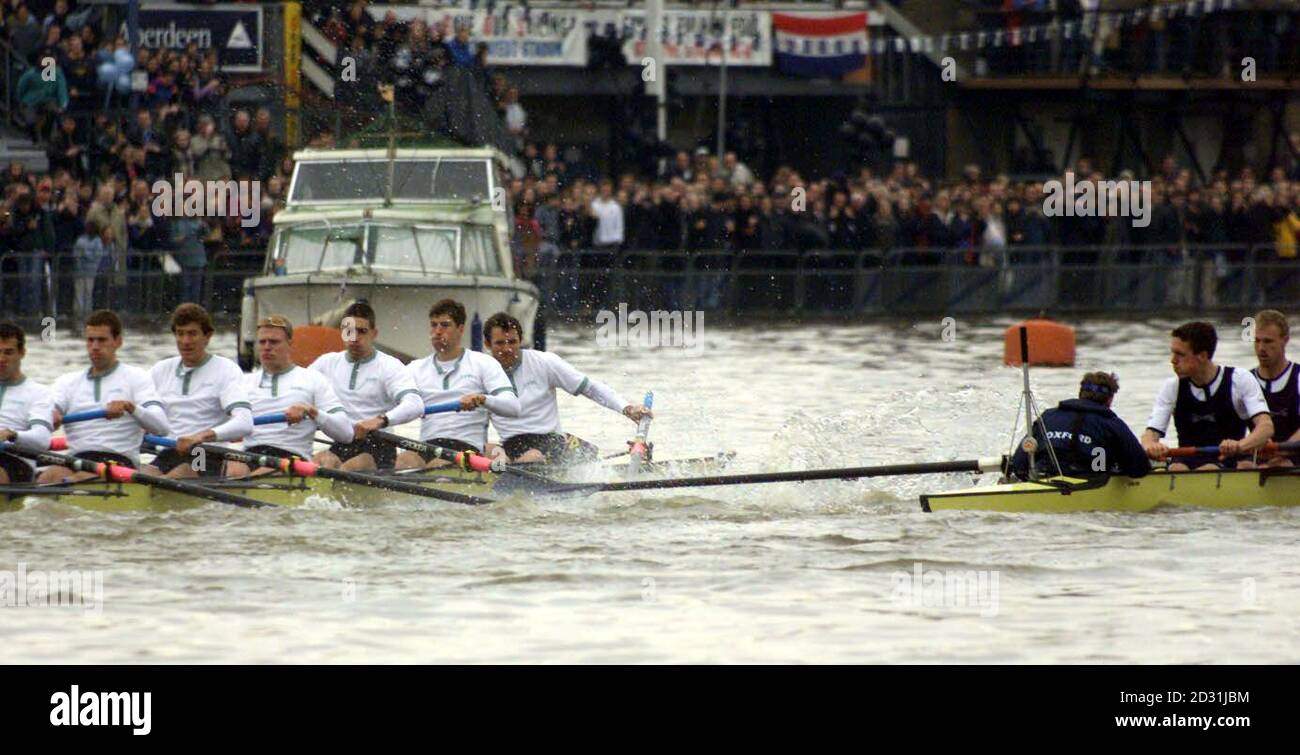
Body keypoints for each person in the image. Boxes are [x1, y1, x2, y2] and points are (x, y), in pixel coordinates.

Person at [480, 312, 649, 464]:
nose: (507, 349)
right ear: (487, 344)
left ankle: (638, 456)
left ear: (521, 340)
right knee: (482, 449)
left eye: (512, 342)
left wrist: (627, 408)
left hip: (548, 440)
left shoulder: (545, 362)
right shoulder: (480, 375)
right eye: (500, 343)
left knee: (590, 456)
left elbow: (590, 388)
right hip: (512, 443)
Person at [38, 310, 171, 483]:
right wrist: (49, 416)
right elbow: (47, 413)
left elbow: (162, 427)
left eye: (102, 340)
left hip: (118, 462)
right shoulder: (67, 382)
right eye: (90, 340)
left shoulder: (137, 378)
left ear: (118, 341)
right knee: (48, 477)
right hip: (76, 460)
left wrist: (131, 408)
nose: (95, 346)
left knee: (80, 479)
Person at [395, 300, 520, 469]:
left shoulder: (483, 363)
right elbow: (386, 405)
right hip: (427, 446)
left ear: (460, 329)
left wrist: (483, 399)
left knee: (439, 464)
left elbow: (513, 407)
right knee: (403, 461)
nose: (437, 331)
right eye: (434, 325)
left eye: (445, 325)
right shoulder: (414, 369)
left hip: (467, 448)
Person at [223, 316, 354, 477]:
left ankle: (242, 490)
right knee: (233, 465)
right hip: (250, 456)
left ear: (290, 344)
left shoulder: (313, 379)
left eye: (274, 342)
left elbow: (346, 433)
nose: (267, 347)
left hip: (292, 458)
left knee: (259, 473)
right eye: (262, 342)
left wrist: (312, 412)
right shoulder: (243, 383)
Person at [1141, 321, 1273, 470]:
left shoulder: (1239, 379)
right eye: (1173, 353)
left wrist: (1240, 445)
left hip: (1229, 460)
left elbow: (1266, 427)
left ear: (1202, 356)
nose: (1173, 360)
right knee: (1177, 468)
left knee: (1209, 468)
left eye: (1180, 354)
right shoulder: (1172, 387)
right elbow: (1151, 433)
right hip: (1185, 462)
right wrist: (1150, 445)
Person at [308, 301, 423, 471]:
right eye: (349, 331)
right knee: (316, 462)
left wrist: (380, 420)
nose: (354, 338)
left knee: (350, 468)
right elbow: (296, 394)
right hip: (344, 441)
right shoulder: (326, 363)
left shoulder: (389, 366)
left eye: (361, 331)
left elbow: (415, 405)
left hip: (379, 443)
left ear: (374, 333)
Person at [145, 304, 252, 479]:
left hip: (207, 453)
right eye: (180, 333)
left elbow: (244, 423)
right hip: (169, 451)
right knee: (140, 474)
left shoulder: (226, 370)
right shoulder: (160, 370)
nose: (185, 341)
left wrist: (201, 436)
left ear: (207, 336)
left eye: (192, 333)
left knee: (185, 471)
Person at [1008, 372, 1149, 480]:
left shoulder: (1047, 416)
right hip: (1091, 485)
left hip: (1042, 481)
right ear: (1110, 399)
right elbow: (1140, 469)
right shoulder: (1112, 424)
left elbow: (1019, 465)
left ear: (1080, 393)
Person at [0, 321, 53, 485]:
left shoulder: (39, 393)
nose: (1, 359)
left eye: (8, 352)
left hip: (16, 460)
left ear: (22, 353)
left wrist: (12, 435)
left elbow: (43, 439)